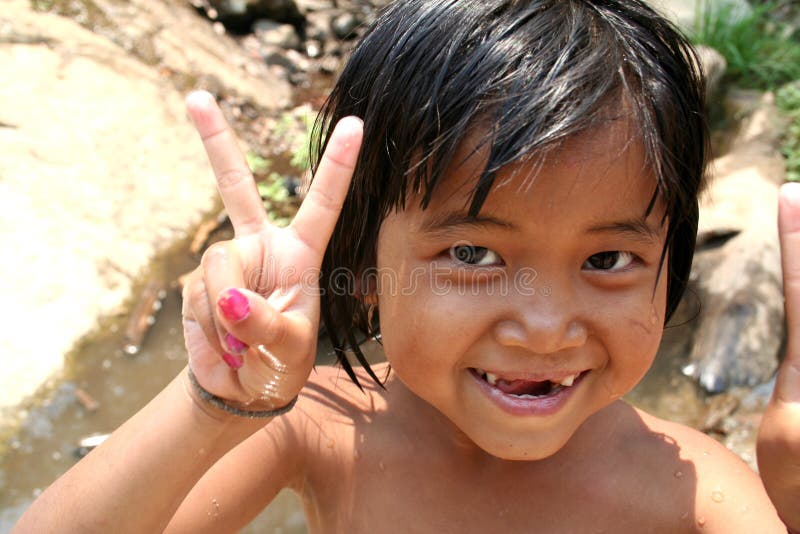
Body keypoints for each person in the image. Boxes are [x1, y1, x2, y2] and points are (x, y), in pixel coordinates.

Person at [14, 0, 800, 532]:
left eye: (608, 258)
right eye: (472, 254)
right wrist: (214, 405)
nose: (546, 325)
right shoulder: (317, 425)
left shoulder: (696, 491)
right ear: (362, 268)